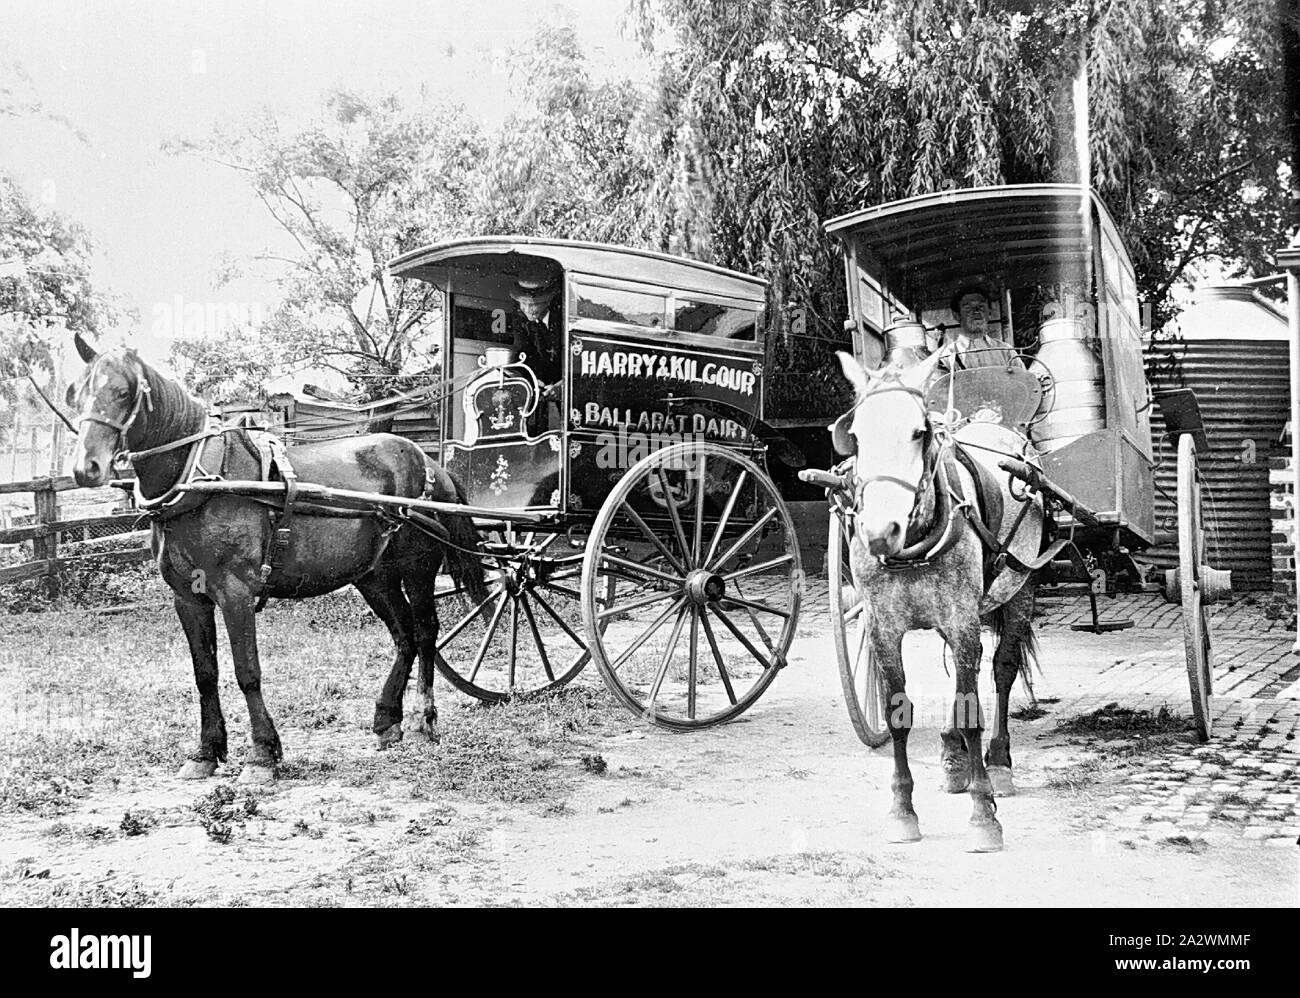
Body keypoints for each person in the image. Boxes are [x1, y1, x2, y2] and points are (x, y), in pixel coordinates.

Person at [509, 272, 563, 430]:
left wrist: (563, 385)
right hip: (542, 383)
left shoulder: (563, 316)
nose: (526, 309)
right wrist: (535, 380)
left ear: (547, 302)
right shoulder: (521, 318)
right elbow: (522, 353)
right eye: (523, 303)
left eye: (533, 304)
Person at [938, 285, 1022, 371]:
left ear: (989, 312)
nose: (976, 311)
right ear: (957, 315)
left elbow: (1026, 381)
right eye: (968, 308)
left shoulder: (1006, 351)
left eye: (981, 306)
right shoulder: (948, 355)